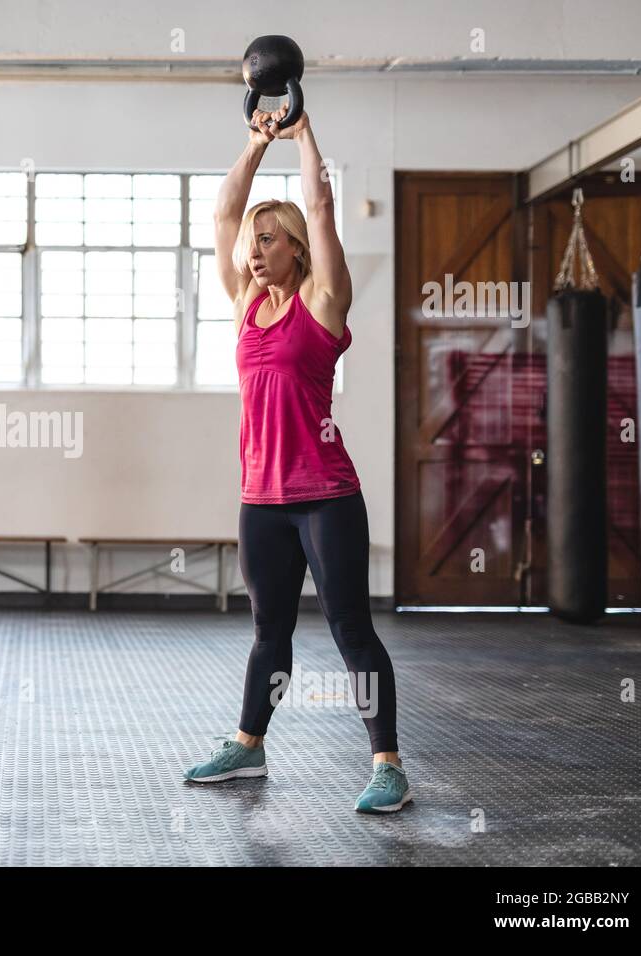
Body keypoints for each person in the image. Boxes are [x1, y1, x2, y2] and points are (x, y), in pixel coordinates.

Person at [183, 107, 411, 813]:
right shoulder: (247, 301)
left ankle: (388, 764)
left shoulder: (323, 302)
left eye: (270, 239)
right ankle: (248, 746)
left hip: (325, 497)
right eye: (254, 241)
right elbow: (223, 212)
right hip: (261, 501)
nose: (254, 250)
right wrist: (256, 142)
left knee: (350, 630)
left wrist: (304, 131)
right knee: (267, 635)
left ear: (299, 252)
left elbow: (320, 202)